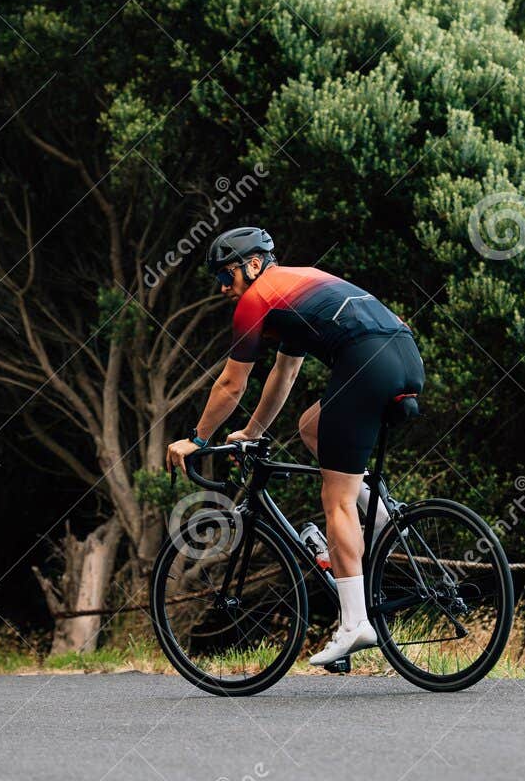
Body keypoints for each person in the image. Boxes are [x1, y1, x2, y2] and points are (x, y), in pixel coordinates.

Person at [164, 226, 425, 666]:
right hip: (405, 357)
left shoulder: (256, 298)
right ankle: (378, 514)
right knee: (311, 426)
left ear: (252, 265)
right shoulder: (298, 287)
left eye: (227, 276)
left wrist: (198, 439)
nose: (224, 288)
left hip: (367, 363)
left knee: (336, 503)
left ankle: (354, 624)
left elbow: (232, 383)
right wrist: (251, 431)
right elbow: (283, 376)